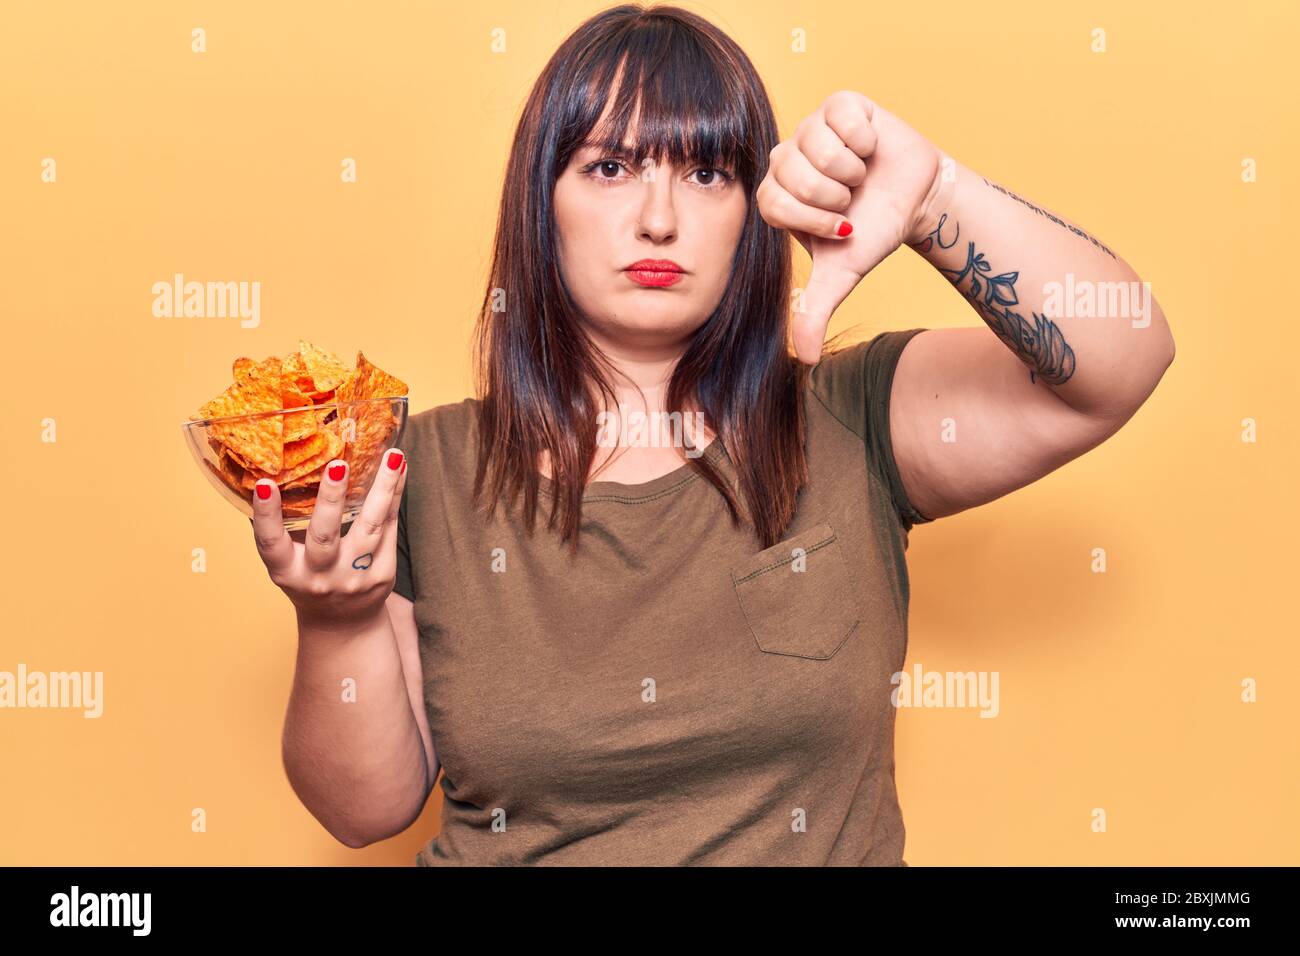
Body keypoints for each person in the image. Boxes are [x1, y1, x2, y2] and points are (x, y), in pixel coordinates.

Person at [256, 4, 1174, 865]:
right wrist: (333, 618)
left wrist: (930, 193)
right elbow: (364, 810)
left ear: (754, 211)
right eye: (609, 167)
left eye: (706, 173)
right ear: (542, 202)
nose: (660, 216)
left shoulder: (853, 418)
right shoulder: (423, 468)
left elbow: (1122, 361)